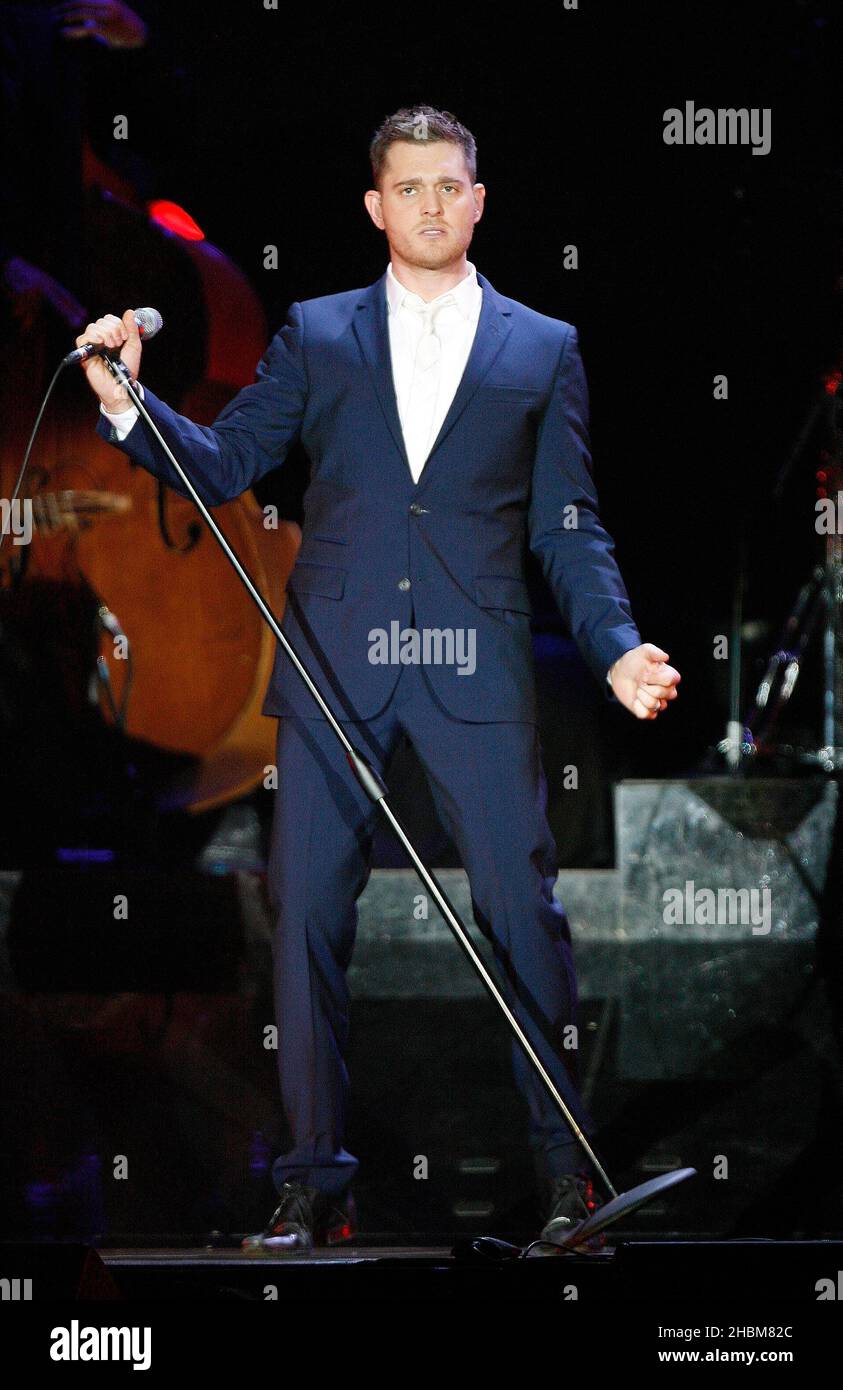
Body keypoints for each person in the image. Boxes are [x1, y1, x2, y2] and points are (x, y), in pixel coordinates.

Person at [76, 104, 681, 1252]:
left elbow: (569, 524)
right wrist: (126, 403)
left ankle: (571, 1178)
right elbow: (230, 461)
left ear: (479, 199)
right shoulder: (318, 333)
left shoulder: (542, 347)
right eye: (409, 189)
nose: (432, 206)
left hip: (476, 672)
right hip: (334, 670)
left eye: (451, 186)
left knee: (520, 915)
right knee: (304, 917)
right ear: (375, 206)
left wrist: (615, 645)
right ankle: (316, 1187)